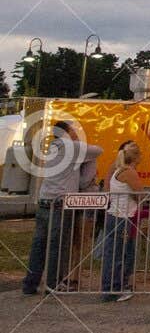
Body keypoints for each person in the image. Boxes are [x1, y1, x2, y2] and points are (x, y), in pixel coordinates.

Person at [22, 120, 102, 296]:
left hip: (45, 199)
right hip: (60, 203)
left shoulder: (51, 147)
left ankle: (30, 283)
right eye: (74, 129)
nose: (76, 132)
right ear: (66, 131)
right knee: (58, 244)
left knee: (39, 244)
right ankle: (54, 283)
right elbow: (98, 150)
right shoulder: (70, 146)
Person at [99, 141, 141, 302]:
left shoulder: (117, 170)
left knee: (113, 252)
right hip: (123, 217)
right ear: (136, 157)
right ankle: (115, 287)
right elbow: (140, 193)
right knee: (120, 253)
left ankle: (109, 287)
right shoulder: (129, 172)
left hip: (114, 214)